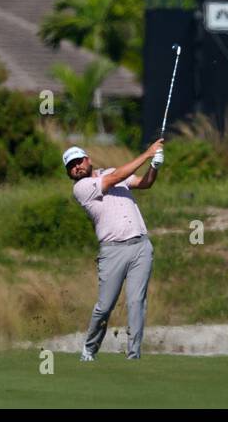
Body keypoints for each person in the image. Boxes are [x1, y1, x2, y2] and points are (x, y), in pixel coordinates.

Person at [65, 139, 164, 361]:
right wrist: (147, 153)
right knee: (105, 306)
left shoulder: (110, 172)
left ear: (87, 160)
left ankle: (133, 355)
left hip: (140, 245)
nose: (76, 167)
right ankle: (89, 349)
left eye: (78, 161)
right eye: (71, 166)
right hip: (113, 251)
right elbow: (115, 178)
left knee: (136, 302)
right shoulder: (81, 189)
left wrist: (154, 166)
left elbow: (144, 183)